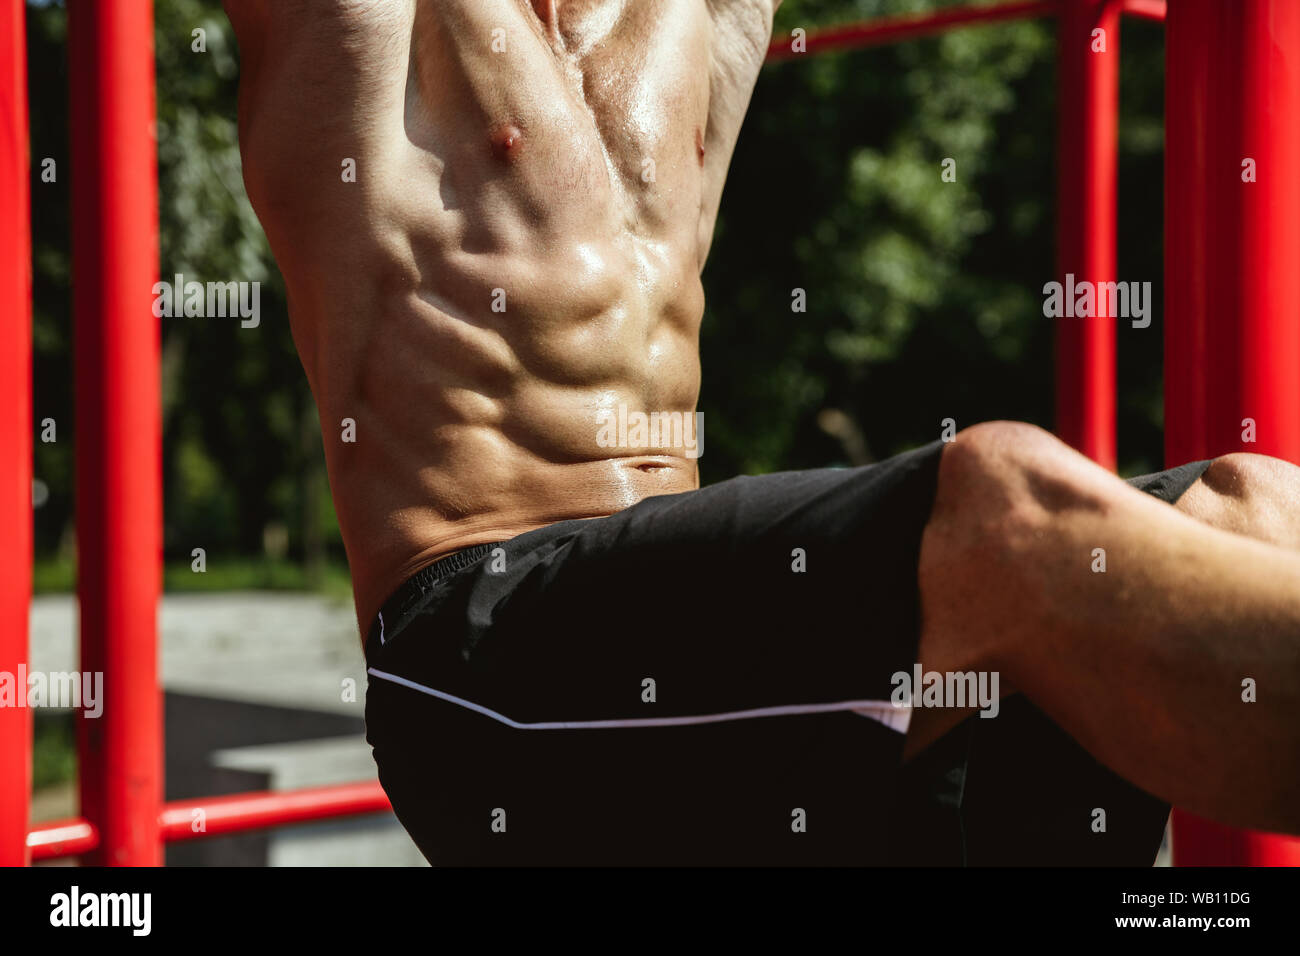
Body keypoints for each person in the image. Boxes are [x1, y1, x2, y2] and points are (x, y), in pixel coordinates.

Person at [223, 0, 1300, 864]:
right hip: (486, 656)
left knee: (1251, 501)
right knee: (1001, 515)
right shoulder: (374, 34)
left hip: (727, 663)